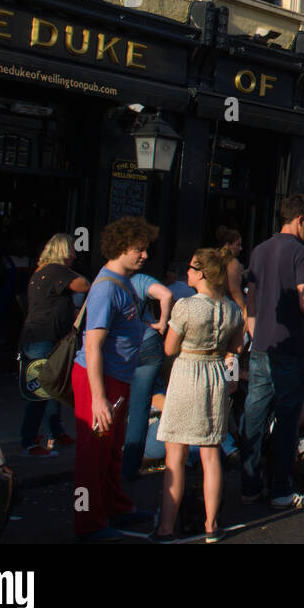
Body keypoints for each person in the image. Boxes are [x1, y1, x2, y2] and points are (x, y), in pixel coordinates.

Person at [72, 216, 161, 542]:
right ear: (121, 248)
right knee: (91, 455)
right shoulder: (106, 289)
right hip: (100, 380)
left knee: (110, 452)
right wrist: (98, 398)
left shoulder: (118, 282)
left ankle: (116, 506)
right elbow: (92, 345)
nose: (145, 255)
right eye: (139, 249)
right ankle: (87, 523)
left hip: (116, 378)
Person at [239, 194, 304, 511]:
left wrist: (253, 329)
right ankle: (281, 490)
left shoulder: (260, 249)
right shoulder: (301, 253)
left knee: (255, 416)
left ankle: (249, 485)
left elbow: (252, 295)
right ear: (300, 218)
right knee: (288, 419)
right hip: (290, 347)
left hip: (262, 344)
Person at [154, 248, 244, 542]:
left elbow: (169, 348)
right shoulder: (231, 308)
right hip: (215, 372)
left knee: (175, 456)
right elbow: (237, 346)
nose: (187, 273)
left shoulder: (187, 306)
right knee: (210, 453)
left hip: (187, 371)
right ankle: (211, 525)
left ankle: (166, 528)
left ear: (202, 272)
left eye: (192, 268)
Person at [19, 234, 89, 457]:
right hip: (43, 336)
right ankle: (29, 442)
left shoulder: (43, 270)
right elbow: (84, 285)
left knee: (51, 385)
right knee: (40, 390)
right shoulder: (56, 270)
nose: (75, 256)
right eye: (72, 251)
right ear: (63, 251)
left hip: (42, 336)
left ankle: (54, 432)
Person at [122, 268, 175, 481]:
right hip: (147, 343)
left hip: (119, 348)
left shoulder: (108, 280)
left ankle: (114, 459)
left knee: (117, 402)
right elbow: (166, 294)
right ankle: (129, 467)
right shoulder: (140, 279)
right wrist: (161, 323)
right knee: (140, 407)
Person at [216, 227, 249, 316]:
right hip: (228, 307)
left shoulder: (214, 258)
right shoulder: (232, 262)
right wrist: (243, 311)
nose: (240, 248)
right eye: (237, 245)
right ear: (228, 245)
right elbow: (234, 290)